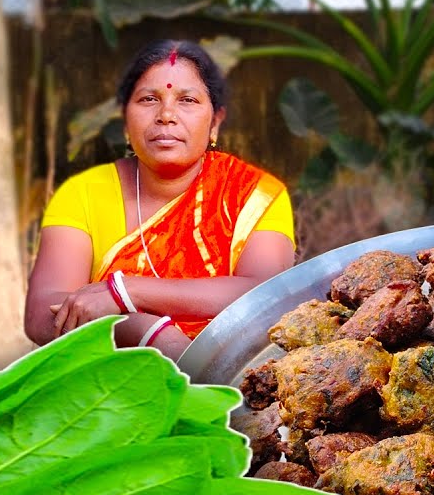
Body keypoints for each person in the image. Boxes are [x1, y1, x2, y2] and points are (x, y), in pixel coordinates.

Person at [24, 39, 296, 359]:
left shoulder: (257, 194)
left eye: (188, 100)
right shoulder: (83, 193)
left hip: (234, 387)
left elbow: (268, 293)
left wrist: (127, 292)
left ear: (216, 123)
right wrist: (143, 331)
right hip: (105, 392)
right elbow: (43, 314)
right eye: (149, 99)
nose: (166, 115)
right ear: (125, 121)